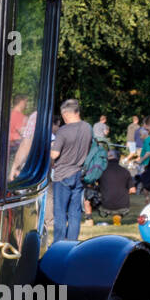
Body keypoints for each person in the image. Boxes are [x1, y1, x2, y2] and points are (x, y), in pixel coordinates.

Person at [49, 98, 92, 242]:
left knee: (60, 212)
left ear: (65, 114)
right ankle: (72, 242)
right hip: (79, 173)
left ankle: (59, 243)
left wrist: (50, 148)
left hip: (62, 175)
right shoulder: (87, 127)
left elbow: (55, 154)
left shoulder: (63, 131)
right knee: (75, 212)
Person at [96, 148, 134, 219]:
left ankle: (88, 218)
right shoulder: (125, 171)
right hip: (123, 207)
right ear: (118, 158)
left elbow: (95, 184)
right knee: (121, 206)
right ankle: (118, 215)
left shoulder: (101, 171)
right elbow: (132, 190)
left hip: (106, 206)